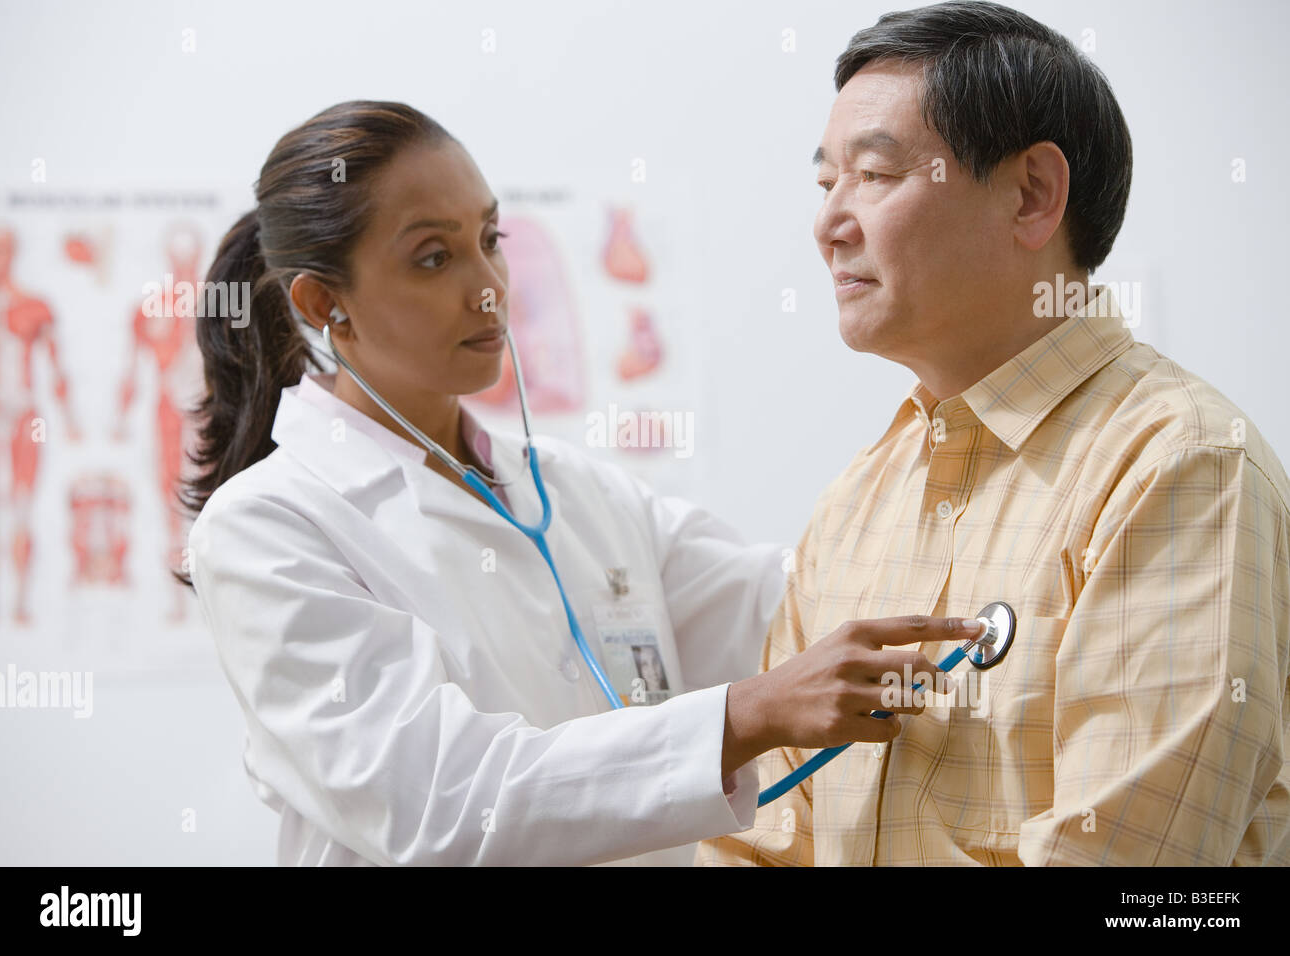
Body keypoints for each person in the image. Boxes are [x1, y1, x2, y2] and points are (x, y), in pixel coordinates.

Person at [180, 100, 974, 866]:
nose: (489, 284)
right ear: (324, 303)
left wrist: (995, 511)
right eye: (433, 256)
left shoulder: (571, 492)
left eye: (490, 239)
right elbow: (443, 805)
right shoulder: (268, 528)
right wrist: (748, 715)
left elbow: (786, 605)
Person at [697, 0, 1290, 866]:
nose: (829, 225)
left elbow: (1127, 875)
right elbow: (768, 841)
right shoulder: (854, 500)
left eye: (875, 174)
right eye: (826, 184)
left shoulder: (1181, 464)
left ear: (1032, 195)